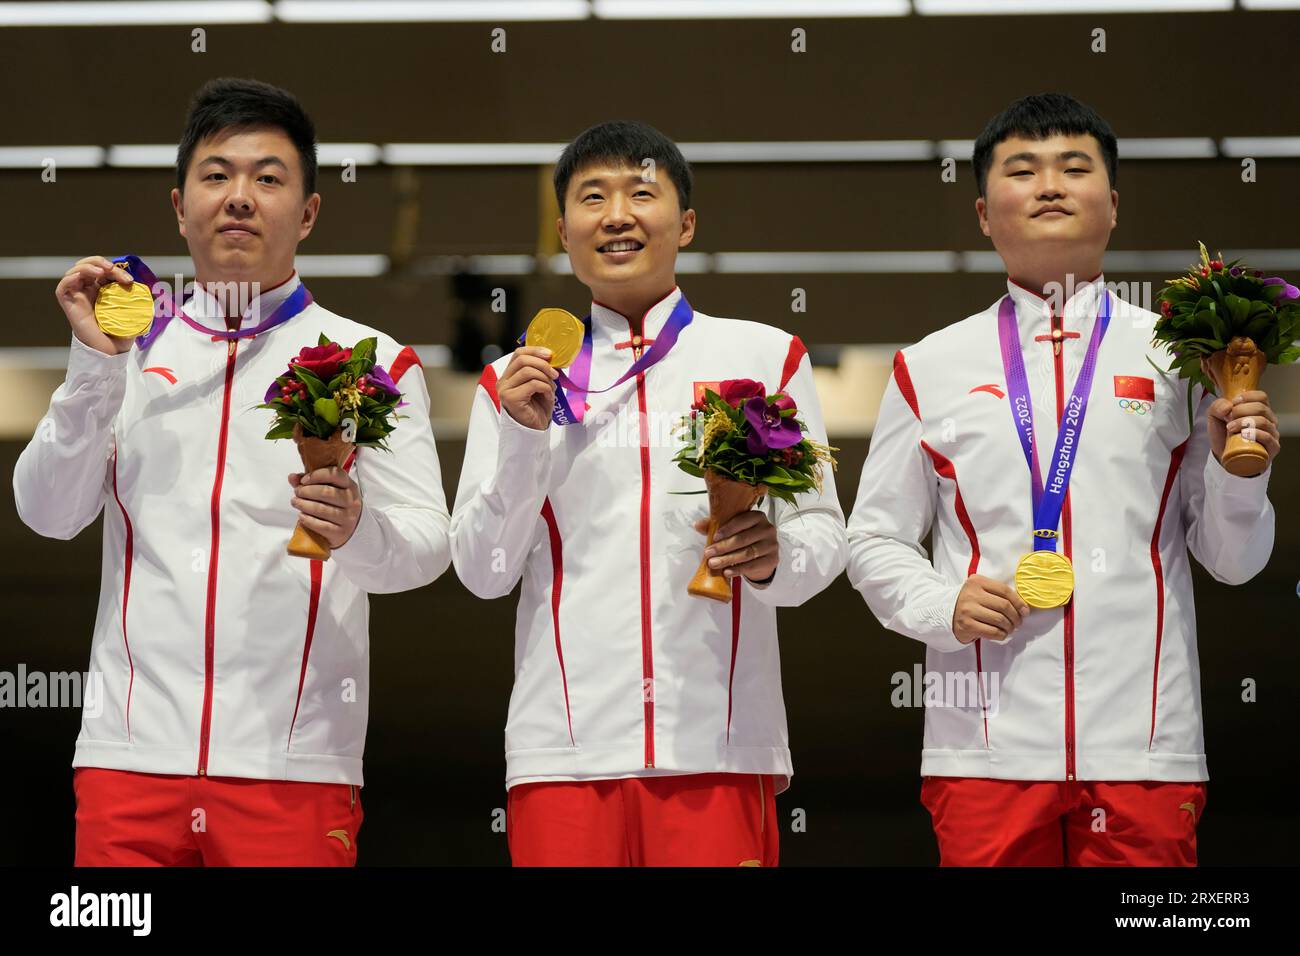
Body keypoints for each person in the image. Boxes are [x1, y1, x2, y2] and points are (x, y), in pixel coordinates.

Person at [12, 77, 452, 866]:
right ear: (179, 207)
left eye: (269, 178)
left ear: (309, 212)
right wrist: (91, 369)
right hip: (128, 764)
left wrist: (359, 531)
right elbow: (46, 511)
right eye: (216, 176)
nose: (240, 197)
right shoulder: (127, 352)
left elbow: (425, 550)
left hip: (294, 769)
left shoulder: (373, 362)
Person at [847, 93, 1279, 866]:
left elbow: (1233, 560)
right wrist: (942, 603)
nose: (1049, 184)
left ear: (1111, 206)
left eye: (1074, 168)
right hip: (983, 749)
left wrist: (1236, 474)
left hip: (1144, 744)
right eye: (1023, 169)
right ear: (984, 213)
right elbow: (873, 537)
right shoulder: (931, 365)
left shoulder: (1179, 357)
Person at [450, 120, 847, 866]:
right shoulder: (513, 382)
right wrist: (520, 440)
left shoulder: (766, 356)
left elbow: (824, 541)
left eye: (642, 193)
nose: (617, 215)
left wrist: (773, 558)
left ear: (686, 223)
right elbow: (481, 571)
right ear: (564, 232)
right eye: (591, 198)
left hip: (719, 749)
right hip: (564, 754)